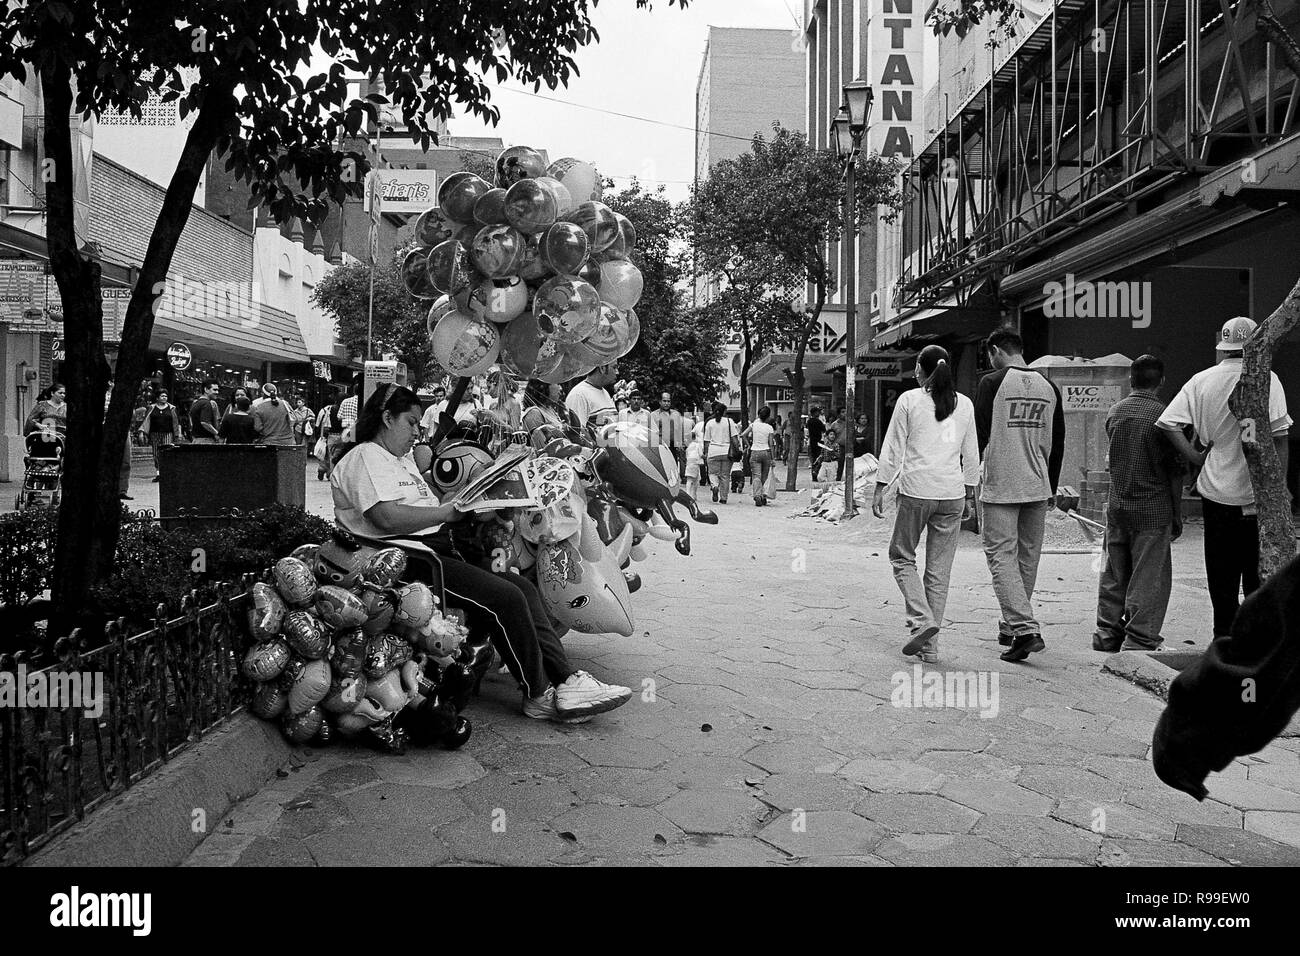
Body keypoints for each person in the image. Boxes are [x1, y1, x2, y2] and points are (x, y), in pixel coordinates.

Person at [330, 384, 632, 722]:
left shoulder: (399, 461)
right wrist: (445, 514)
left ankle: (568, 680)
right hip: (407, 558)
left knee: (524, 589)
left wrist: (477, 493)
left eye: (418, 424)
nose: (417, 432)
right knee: (505, 597)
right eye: (411, 423)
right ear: (387, 417)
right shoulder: (364, 456)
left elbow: (430, 504)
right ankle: (538, 693)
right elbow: (385, 517)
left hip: (437, 546)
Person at [1156, 316, 1292, 640]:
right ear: (1255, 344)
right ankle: (1254, 643)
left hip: (1215, 494)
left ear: (1223, 347)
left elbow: (1167, 423)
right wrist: (1278, 487)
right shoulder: (1267, 380)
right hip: (1255, 496)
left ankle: (1223, 641)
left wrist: (1196, 457)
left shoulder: (1201, 380)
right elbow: (1281, 437)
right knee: (1256, 575)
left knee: (1221, 574)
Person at [873, 345, 979, 664]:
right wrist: (971, 494)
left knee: (901, 556)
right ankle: (930, 649)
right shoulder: (966, 404)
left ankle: (922, 621)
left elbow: (893, 447)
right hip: (952, 493)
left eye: (916, 366)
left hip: (917, 491)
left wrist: (880, 485)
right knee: (939, 571)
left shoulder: (909, 400)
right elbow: (972, 453)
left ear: (920, 368)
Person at [974, 326, 1065, 663]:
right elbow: (1059, 443)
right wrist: (1052, 487)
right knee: (1027, 559)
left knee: (1000, 556)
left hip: (1001, 484)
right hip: (1037, 485)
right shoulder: (1049, 387)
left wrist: (970, 476)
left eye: (989, 355)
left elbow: (980, 434)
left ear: (996, 350)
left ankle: (1025, 628)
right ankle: (1012, 628)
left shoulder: (992, 383)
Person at [1091, 355, 1186, 654]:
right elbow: (1174, 472)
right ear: (1162, 381)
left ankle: (1106, 632)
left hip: (1118, 504)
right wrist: (1176, 513)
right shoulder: (1166, 417)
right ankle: (1140, 638)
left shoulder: (1114, 412)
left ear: (1131, 380)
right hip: (1152, 507)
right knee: (1149, 576)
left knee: (1114, 572)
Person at [138, 390, 182, 481]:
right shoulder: (152, 407)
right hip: (155, 433)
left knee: (166, 452)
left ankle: (166, 473)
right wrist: (142, 432)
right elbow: (146, 420)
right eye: (162, 396)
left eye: (165, 396)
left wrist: (178, 434)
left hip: (167, 433)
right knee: (156, 454)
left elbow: (176, 422)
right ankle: (158, 473)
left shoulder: (171, 408)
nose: (164, 398)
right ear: (157, 398)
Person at [565, 363, 618, 434]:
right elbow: (577, 435)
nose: (617, 372)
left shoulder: (604, 392)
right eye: (614, 367)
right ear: (602, 368)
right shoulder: (579, 394)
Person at [702, 402, 739, 504]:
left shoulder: (709, 423)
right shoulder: (729, 421)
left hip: (713, 452)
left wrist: (706, 453)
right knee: (725, 475)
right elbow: (734, 438)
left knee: (712, 473)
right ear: (724, 412)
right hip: (727, 452)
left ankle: (714, 486)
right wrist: (738, 449)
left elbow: (706, 441)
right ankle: (723, 498)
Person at [740, 405, 777, 506]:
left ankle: (757, 495)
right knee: (764, 476)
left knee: (756, 475)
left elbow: (743, 435)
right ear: (768, 416)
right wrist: (773, 458)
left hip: (755, 452)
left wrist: (748, 445)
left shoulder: (753, 425)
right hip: (766, 452)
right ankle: (763, 495)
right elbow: (771, 444)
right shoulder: (769, 428)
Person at [649, 391, 684, 461]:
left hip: (674, 447)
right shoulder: (653, 415)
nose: (666, 403)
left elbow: (680, 431)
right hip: (660, 447)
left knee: (674, 469)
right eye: (664, 401)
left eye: (668, 401)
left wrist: (681, 444)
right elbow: (651, 434)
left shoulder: (676, 414)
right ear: (660, 402)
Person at [189, 380, 221, 444]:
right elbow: (205, 422)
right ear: (206, 389)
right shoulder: (206, 403)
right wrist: (217, 433)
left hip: (196, 440)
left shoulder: (196, 403)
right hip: (205, 441)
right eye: (214, 390)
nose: (217, 392)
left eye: (218, 390)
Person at [807, 407, 826, 480]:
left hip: (812, 442)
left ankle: (814, 475)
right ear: (814, 413)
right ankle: (817, 474)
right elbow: (824, 430)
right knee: (819, 459)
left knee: (814, 459)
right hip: (819, 442)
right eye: (817, 412)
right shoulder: (818, 421)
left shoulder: (809, 421)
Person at [684, 431, 704, 501]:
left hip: (689, 463)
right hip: (695, 463)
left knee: (689, 480)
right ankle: (694, 495)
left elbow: (686, 456)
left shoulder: (688, 447)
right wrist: (705, 457)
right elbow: (701, 454)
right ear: (695, 437)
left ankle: (687, 494)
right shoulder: (697, 445)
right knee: (696, 481)